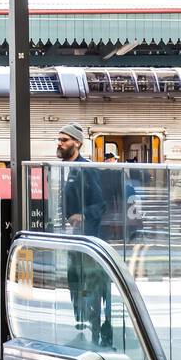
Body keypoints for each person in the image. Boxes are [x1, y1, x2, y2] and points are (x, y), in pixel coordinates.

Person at [57, 123, 111, 347]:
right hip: (74, 241)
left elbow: (101, 204)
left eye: (64, 140)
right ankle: (82, 328)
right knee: (76, 285)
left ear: (77, 143)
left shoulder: (87, 169)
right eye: (59, 140)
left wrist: (82, 215)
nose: (60, 144)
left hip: (88, 240)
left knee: (92, 288)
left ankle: (97, 334)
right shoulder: (63, 167)